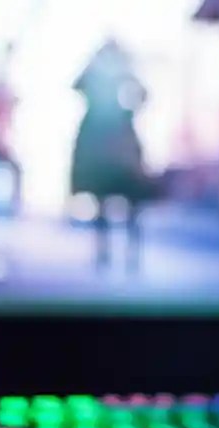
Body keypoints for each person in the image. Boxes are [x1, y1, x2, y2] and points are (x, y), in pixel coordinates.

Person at [70, 39, 152, 271]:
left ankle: (128, 255)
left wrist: (127, 76)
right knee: (102, 201)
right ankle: (105, 253)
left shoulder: (123, 74)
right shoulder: (96, 75)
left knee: (131, 202)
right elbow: (76, 86)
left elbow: (144, 94)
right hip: (101, 140)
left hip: (117, 140)